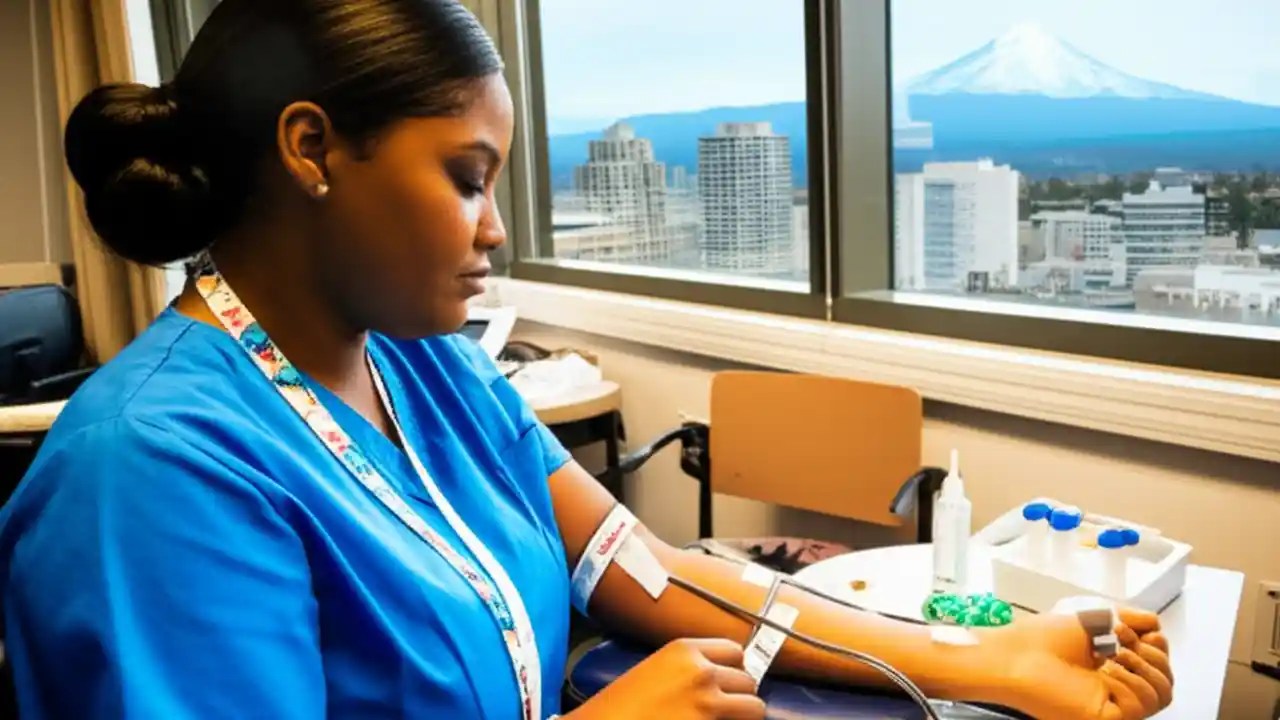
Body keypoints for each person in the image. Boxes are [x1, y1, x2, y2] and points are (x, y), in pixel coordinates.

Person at [0, 1, 1173, 718]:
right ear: (312, 149)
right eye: (466, 179)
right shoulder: (149, 474)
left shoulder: (431, 372)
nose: (495, 232)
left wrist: (978, 659)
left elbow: (653, 574)